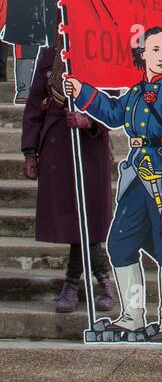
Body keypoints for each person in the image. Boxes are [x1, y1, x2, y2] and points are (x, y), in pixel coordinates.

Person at [65, 26, 162, 343]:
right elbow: (115, 114)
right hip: (137, 178)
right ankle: (132, 317)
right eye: (155, 49)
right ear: (142, 53)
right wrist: (82, 91)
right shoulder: (135, 92)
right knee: (119, 242)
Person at [22, 46, 114, 314]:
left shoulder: (101, 52)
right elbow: (34, 105)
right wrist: (30, 152)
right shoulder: (50, 56)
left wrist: (90, 121)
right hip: (56, 148)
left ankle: (75, 283)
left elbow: (114, 102)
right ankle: (101, 281)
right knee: (76, 218)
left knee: (86, 217)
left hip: (89, 147)